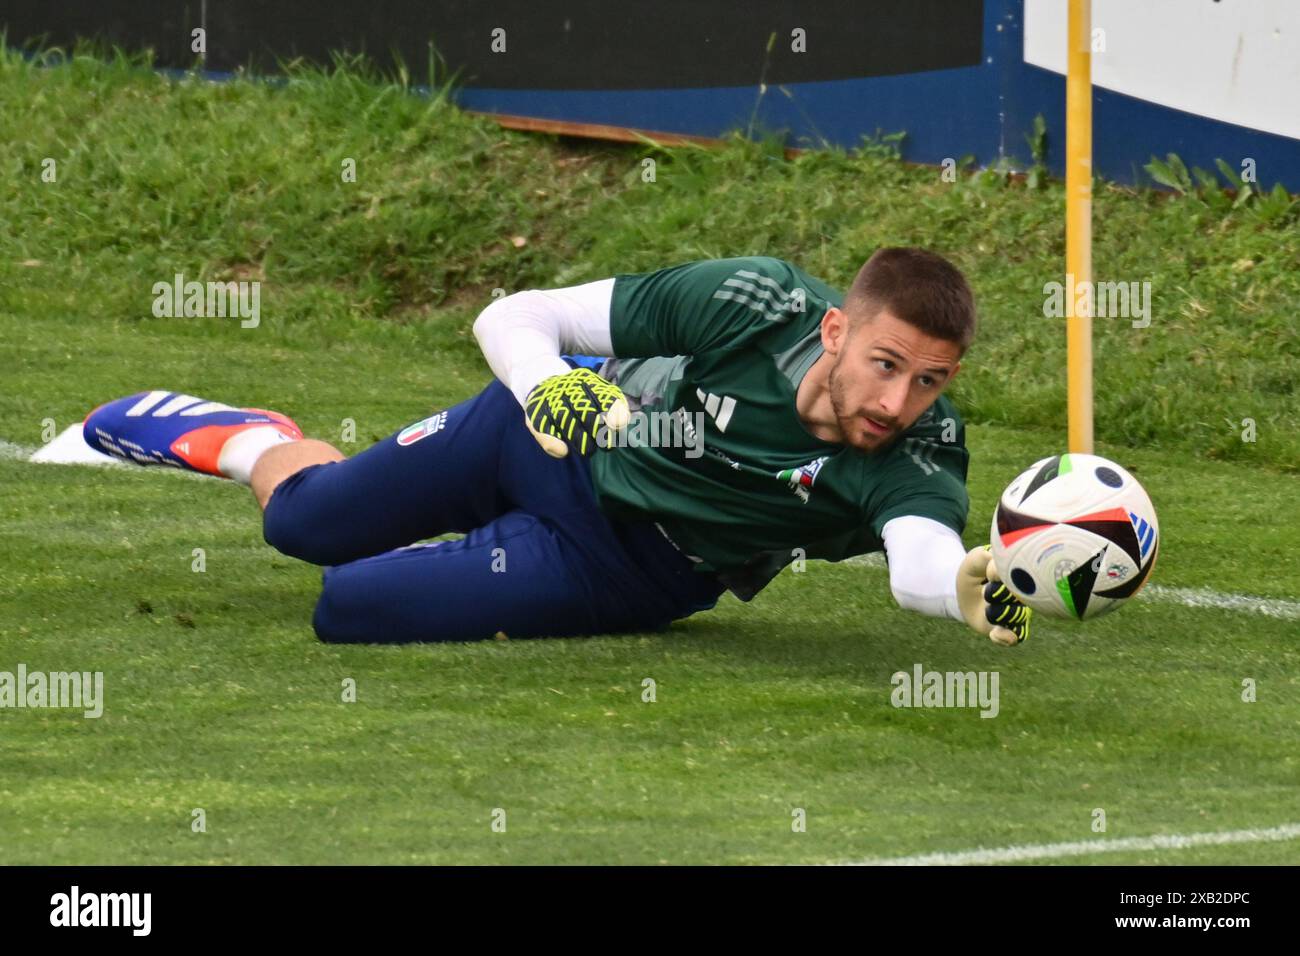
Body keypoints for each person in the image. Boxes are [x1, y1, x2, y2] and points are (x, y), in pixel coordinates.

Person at [83, 248, 1031, 646]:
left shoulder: (921, 448)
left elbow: (921, 558)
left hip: (627, 569)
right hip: (541, 439)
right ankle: (259, 442)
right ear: (833, 332)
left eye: (929, 380)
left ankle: (461, 551)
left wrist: (961, 592)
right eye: (886, 363)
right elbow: (517, 314)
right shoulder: (753, 300)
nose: (898, 400)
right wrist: (551, 386)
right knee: (307, 524)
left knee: (349, 606)